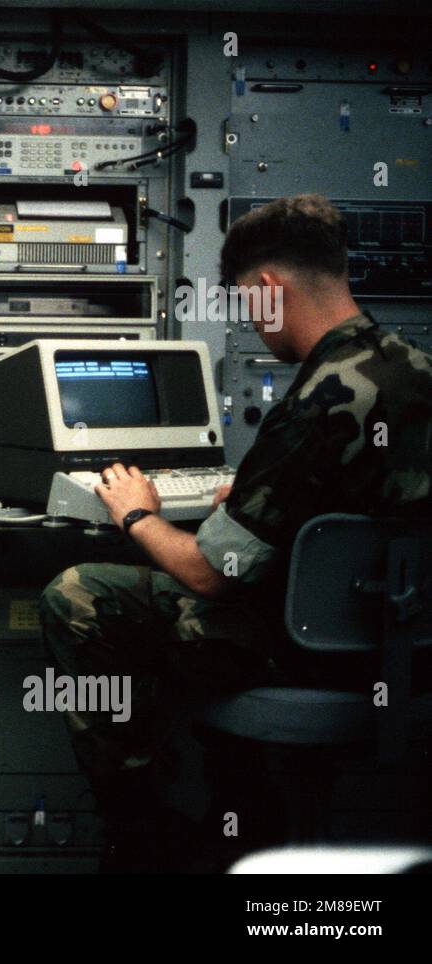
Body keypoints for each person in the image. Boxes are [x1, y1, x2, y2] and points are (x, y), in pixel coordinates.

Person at [38, 193, 432, 865]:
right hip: (399, 646)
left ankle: (141, 833)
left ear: (272, 289)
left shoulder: (317, 402)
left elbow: (207, 573)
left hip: (297, 650)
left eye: (250, 302)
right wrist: (247, 500)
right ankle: (247, 812)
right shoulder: (413, 369)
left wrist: (138, 512)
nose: (251, 320)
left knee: (78, 594)